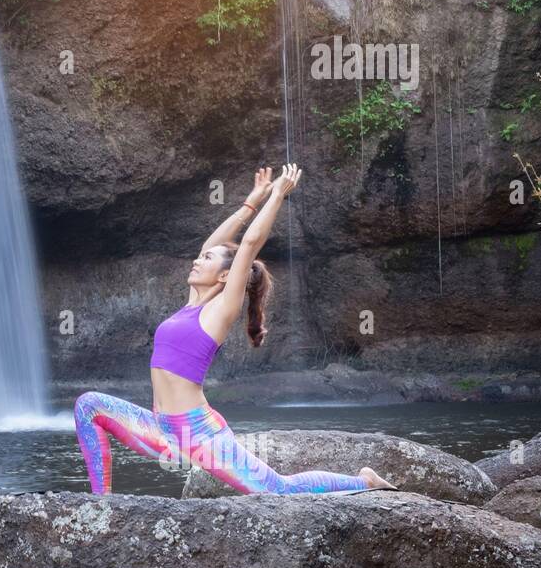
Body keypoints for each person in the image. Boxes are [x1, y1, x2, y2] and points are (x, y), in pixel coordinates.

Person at [73, 163, 398, 495]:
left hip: (198, 433)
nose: (197, 260)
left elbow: (249, 244)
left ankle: (364, 481)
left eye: (207, 259)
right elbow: (213, 244)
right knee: (88, 405)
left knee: (276, 489)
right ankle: (103, 502)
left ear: (226, 276)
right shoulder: (191, 305)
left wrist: (277, 195)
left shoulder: (221, 309)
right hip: (161, 429)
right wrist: (250, 202)